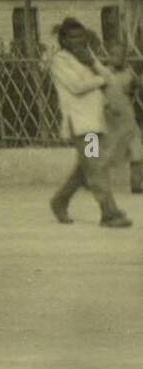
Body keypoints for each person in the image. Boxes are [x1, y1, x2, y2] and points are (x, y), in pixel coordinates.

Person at [49, 19, 131, 227]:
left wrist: (93, 64)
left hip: (95, 120)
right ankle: (108, 212)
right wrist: (99, 80)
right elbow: (76, 86)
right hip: (80, 123)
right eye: (73, 37)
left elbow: (110, 77)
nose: (78, 41)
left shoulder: (87, 56)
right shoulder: (60, 61)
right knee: (96, 166)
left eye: (81, 36)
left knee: (87, 169)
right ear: (63, 40)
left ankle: (60, 200)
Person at [101, 41, 142, 195]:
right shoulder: (103, 73)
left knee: (137, 150)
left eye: (121, 55)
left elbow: (136, 87)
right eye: (114, 55)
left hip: (127, 118)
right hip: (108, 118)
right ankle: (93, 181)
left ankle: (136, 184)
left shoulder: (129, 73)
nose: (117, 58)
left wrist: (135, 86)